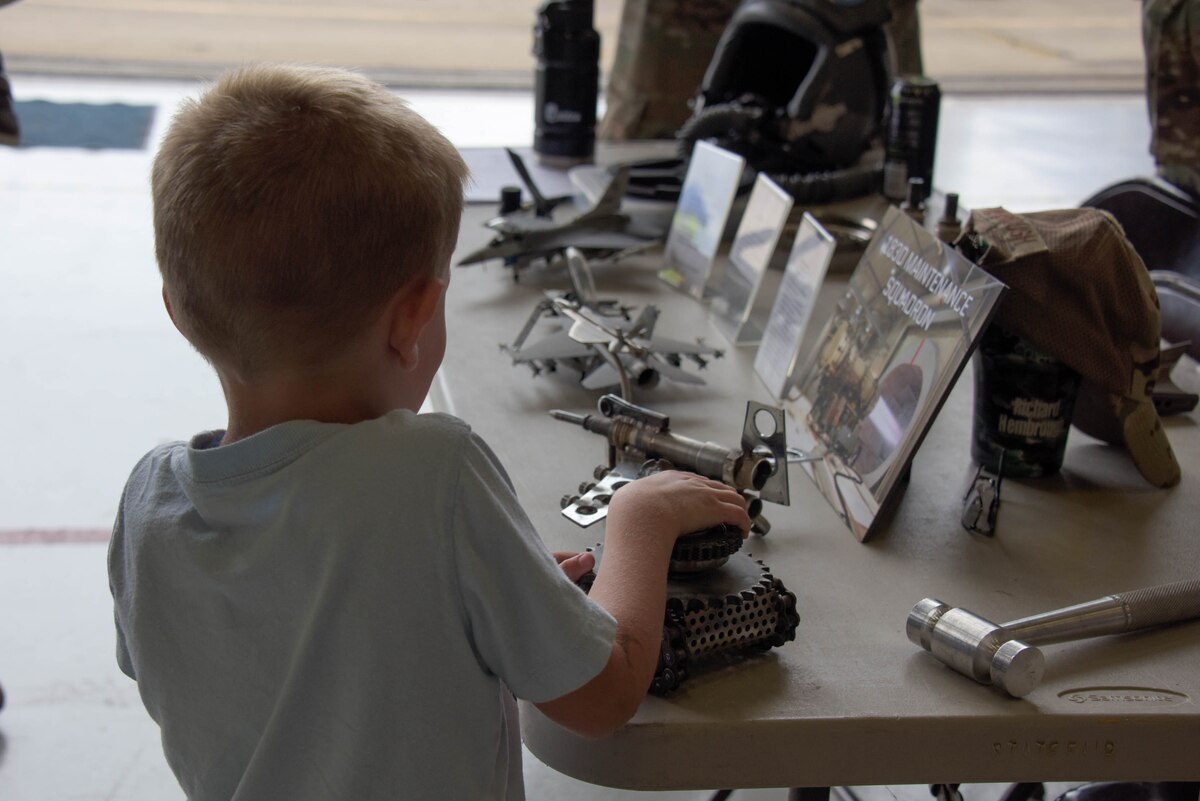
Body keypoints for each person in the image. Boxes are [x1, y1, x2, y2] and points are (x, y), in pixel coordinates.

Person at [107, 63, 750, 801]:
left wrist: (453, 576)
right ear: (415, 317)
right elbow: (599, 700)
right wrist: (642, 517)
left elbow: (269, 634)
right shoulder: (434, 470)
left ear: (179, 310)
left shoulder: (146, 502)